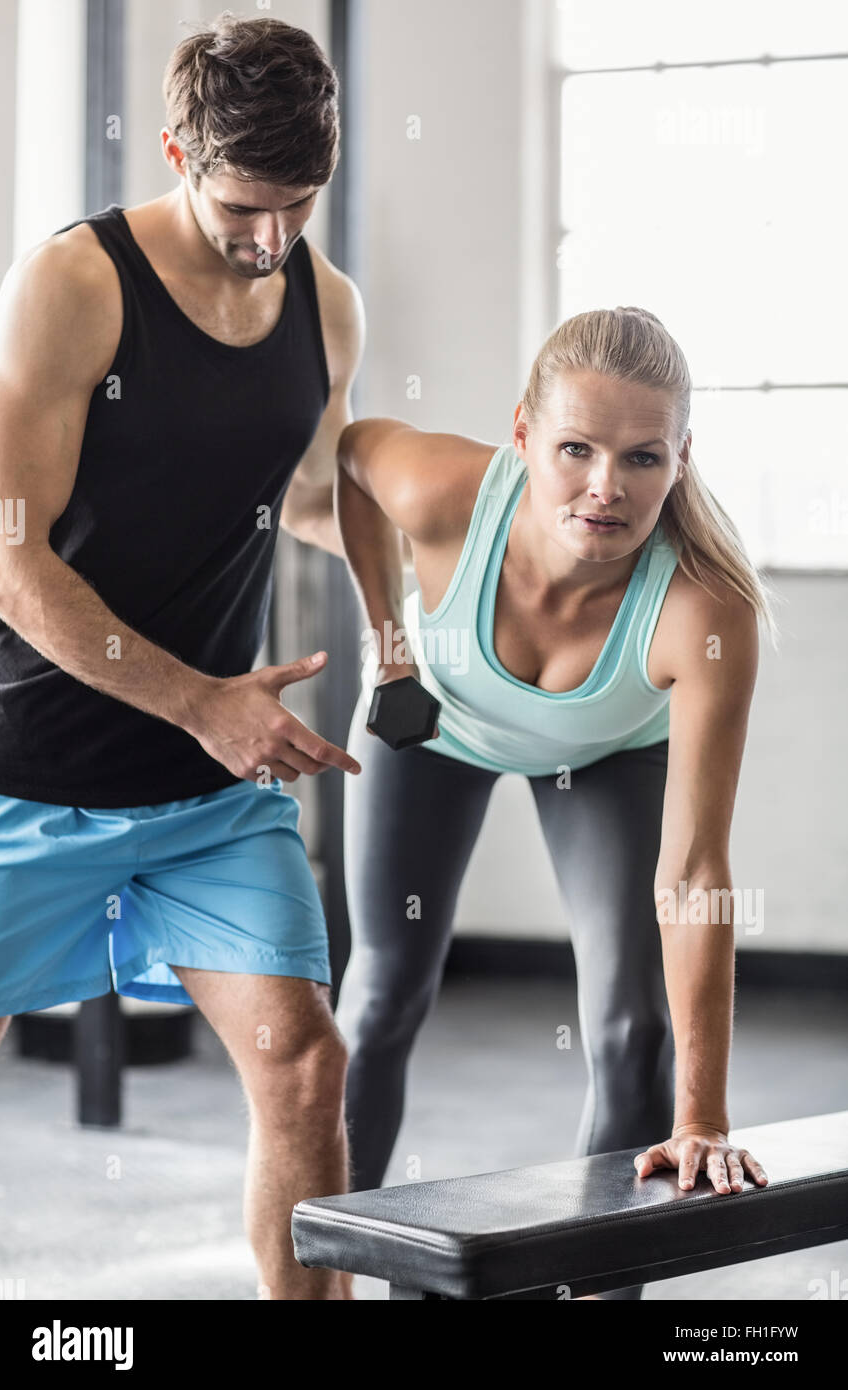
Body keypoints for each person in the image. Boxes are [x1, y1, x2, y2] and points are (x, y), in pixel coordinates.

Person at [0, 14, 365, 1301]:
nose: (269, 241)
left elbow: (314, 492)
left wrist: (454, 551)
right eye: (243, 208)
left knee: (304, 1062)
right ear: (173, 153)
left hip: (206, 799)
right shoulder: (70, 284)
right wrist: (202, 700)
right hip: (20, 773)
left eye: (297, 205)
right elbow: (6, 559)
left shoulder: (328, 305)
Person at [334, 306, 777, 1300]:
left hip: (605, 752)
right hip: (435, 728)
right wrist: (387, 642)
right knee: (380, 995)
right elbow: (353, 456)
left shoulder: (704, 609)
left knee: (630, 1030)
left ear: (680, 459)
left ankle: (602, 1290)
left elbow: (696, 871)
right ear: (522, 436)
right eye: (574, 448)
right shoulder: (447, 492)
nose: (604, 487)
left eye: (640, 457)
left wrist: (700, 1113)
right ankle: (330, 1283)